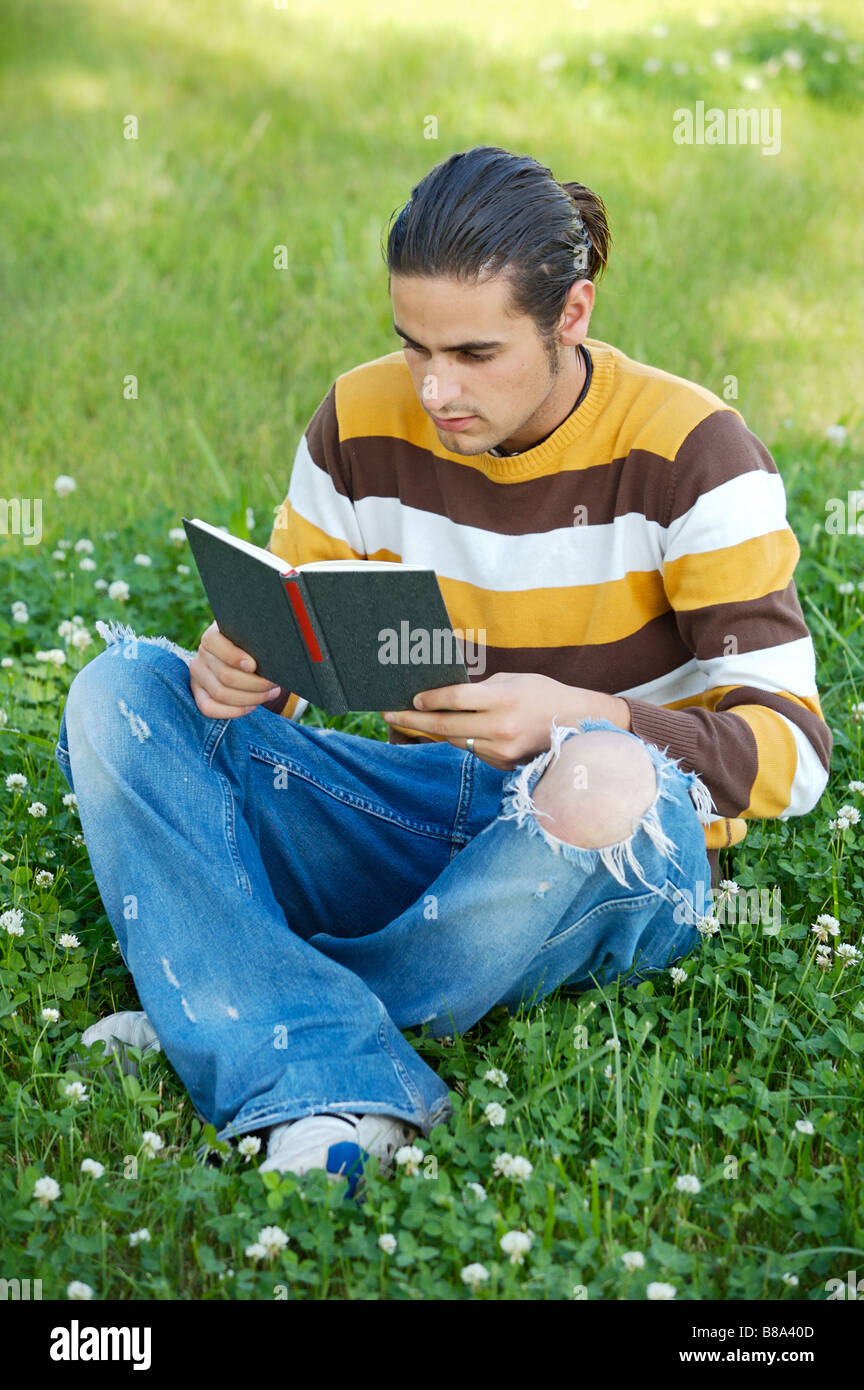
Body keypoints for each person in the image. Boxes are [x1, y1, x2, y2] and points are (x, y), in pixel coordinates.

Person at [56, 145, 832, 1194]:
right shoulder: (362, 421)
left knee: (599, 771)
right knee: (120, 694)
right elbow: (291, 639)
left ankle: (238, 1001)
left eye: (474, 353)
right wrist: (247, 669)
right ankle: (266, 1007)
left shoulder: (696, 450)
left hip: (611, 842)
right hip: (418, 810)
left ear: (572, 315)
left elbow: (794, 749)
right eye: (412, 345)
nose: (435, 389)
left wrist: (579, 713)